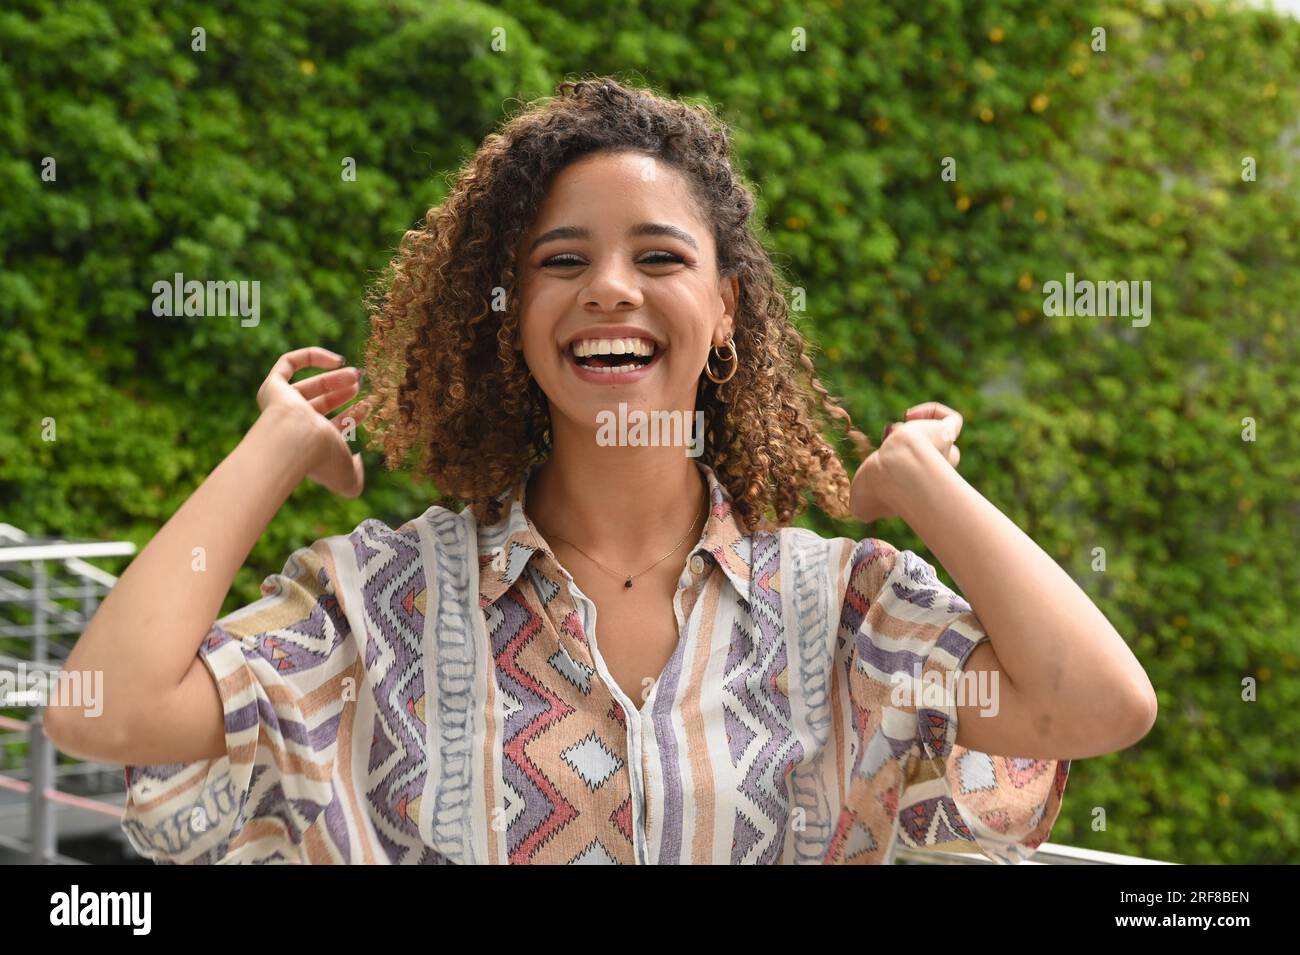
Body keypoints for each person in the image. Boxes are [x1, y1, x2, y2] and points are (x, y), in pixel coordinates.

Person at [47, 76, 1156, 865]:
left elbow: (1096, 704)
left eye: (659, 256)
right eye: (560, 261)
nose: (610, 288)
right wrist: (273, 448)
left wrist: (924, 483)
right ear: (513, 315)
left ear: (724, 311)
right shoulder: (377, 601)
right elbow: (108, 712)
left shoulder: (847, 614)